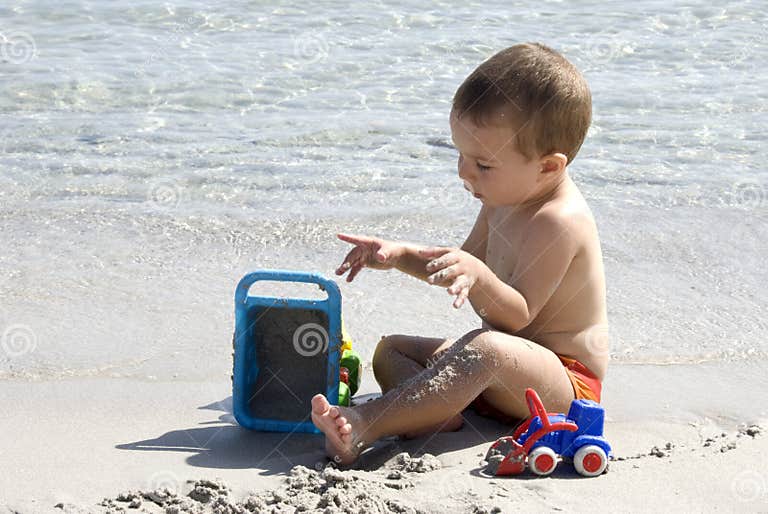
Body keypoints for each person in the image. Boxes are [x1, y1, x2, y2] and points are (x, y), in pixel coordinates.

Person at [311, 42, 609, 465]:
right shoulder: (502, 199)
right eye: (460, 155)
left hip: (564, 386)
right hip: (499, 371)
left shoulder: (557, 221)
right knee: (393, 350)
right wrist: (398, 256)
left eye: (483, 164)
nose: (464, 172)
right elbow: (455, 267)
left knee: (483, 346)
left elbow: (516, 316)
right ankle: (433, 414)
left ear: (548, 166)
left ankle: (365, 423)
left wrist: (480, 275)